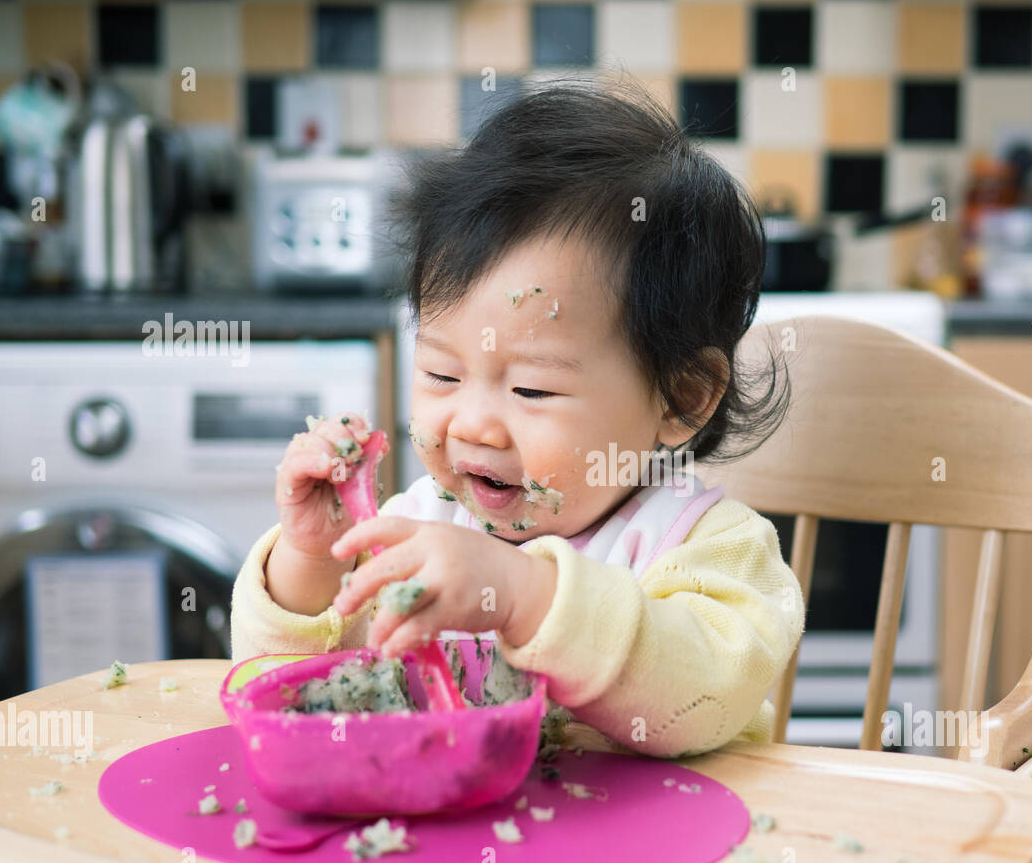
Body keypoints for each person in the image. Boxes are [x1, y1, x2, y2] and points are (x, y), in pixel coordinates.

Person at [230, 77, 803, 758]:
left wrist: (523, 594)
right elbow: (292, 686)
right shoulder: (424, 526)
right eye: (442, 373)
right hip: (461, 850)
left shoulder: (708, 546)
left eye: (531, 390)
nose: (472, 424)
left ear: (682, 396)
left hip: (670, 861)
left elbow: (696, 700)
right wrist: (311, 561)